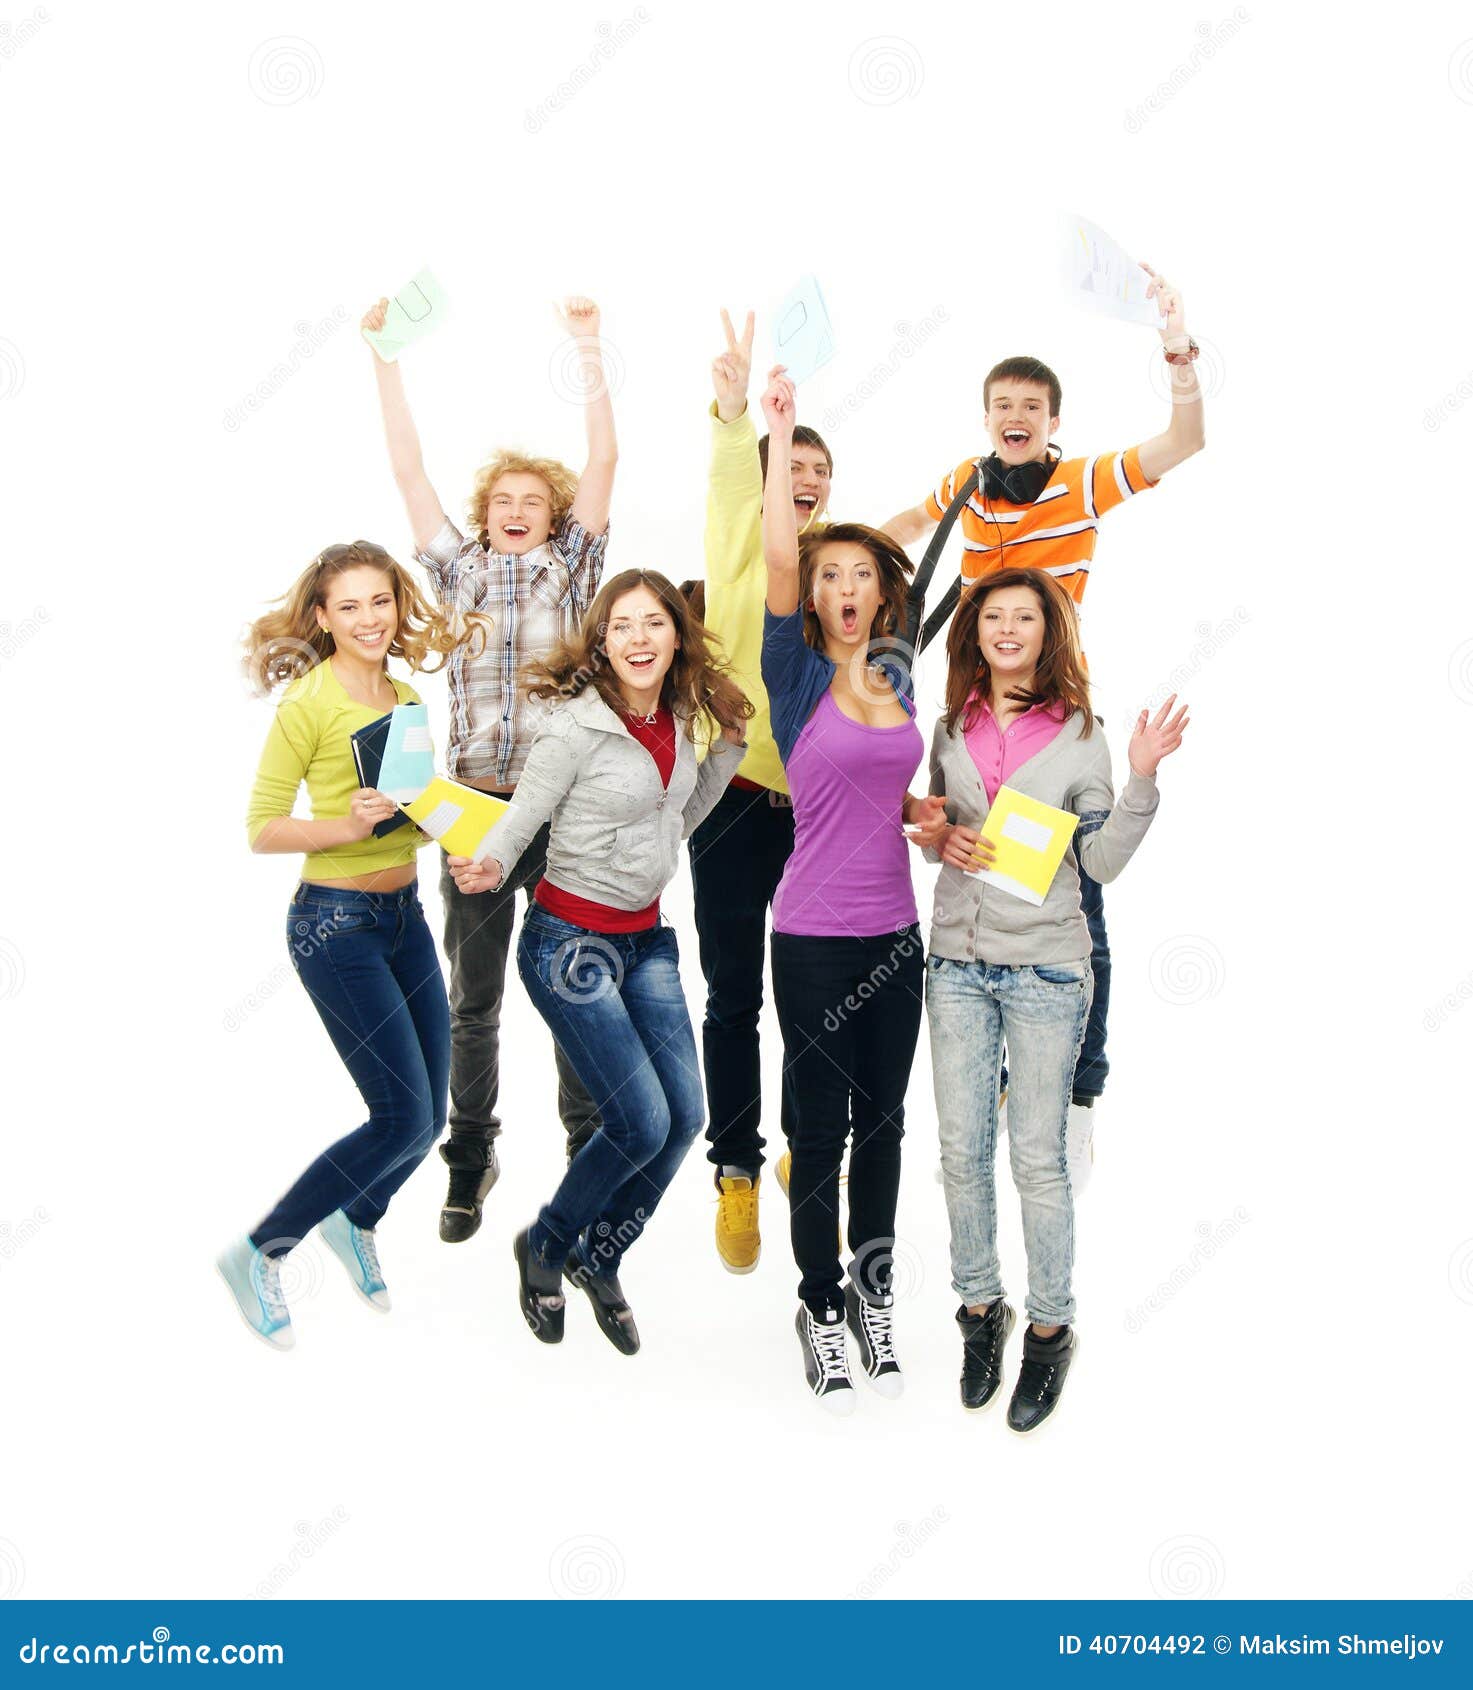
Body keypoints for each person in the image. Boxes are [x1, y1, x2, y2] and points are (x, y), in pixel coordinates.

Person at [883, 265, 1204, 1177]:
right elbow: (908, 521)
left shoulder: (1083, 480)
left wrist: (1175, 346)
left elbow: (1184, 441)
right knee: (976, 870)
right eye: (999, 405)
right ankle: (988, 1078)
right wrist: (840, 559)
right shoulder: (969, 482)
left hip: (1054, 718)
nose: (1013, 416)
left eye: (1030, 404)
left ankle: (1074, 1091)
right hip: (975, 712)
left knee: (1073, 899)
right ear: (986, 419)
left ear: (1051, 419)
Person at [362, 294, 616, 1243]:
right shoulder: (458, 569)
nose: (516, 513)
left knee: (571, 984)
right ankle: (470, 1157)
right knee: (474, 999)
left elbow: (604, 461)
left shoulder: (574, 570)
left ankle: (587, 1157)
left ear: (553, 519)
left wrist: (587, 346)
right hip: (472, 808)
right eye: (502, 503)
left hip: (558, 809)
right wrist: (384, 359)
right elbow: (405, 467)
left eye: (532, 503)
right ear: (484, 517)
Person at [445, 570, 751, 1353]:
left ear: (676, 637)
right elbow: (525, 814)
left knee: (684, 1118)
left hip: (646, 940)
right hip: (568, 945)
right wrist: (489, 862)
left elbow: (675, 816)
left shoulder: (679, 719)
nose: (639, 638)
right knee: (638, 1119)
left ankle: (599, 1253)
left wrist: (733, 747)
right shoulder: (573, 726)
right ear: (602, 640)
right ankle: (546, 1245)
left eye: (654, 623)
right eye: (622, 625)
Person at [923, 568, 1188, 1431]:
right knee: (960, 1154)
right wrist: (938, 836)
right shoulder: (948, 725)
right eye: (993, 616)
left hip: (1044, 972)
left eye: (1023, 618)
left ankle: (1047, 1328)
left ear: (1048, 633)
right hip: (957, 965)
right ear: (977, 633)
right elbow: (936, 838)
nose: (1007, 629)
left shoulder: (1080, 737)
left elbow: (1101, 863)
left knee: (1034, 1161)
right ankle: (977, 1312)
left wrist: (1142, 779)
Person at [218, 541, 491, 1349]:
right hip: (334, 926)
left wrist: (463, 845)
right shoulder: (308, 703)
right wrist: (347, 824)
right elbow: (261, 828)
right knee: (398, 1113)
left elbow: (416, 807)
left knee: (429, 1110)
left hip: (405, 916)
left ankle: (356, 1218)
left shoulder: (405, 694)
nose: (369, 619)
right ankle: (259, 1251)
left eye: (380, 601)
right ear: (322, 618)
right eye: (350, 607)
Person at [758, 370, 946, 1413]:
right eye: (826, 572)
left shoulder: (899, 665)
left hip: (894, 932)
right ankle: (821, 1304)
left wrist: (922, 816)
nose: (839, 587)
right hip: (814, 933)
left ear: (880, 588)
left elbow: (889, 789)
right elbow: (780, 550)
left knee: (886, 1128)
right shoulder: (790, 667)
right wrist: (781, 436)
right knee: (817, 1135)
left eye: (857, 575)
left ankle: (875, 1292)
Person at [692, 310, 836, 1274]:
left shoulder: (845, 572)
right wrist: (740, 410)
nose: (807, 485)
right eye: (793, 473)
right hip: (736, 796)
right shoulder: (744, 543)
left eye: (821, 477)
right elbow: (731, 477)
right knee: (733, 993)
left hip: (821, 811)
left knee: (814, 994)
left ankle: (798, 1149)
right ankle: (736, 1170)